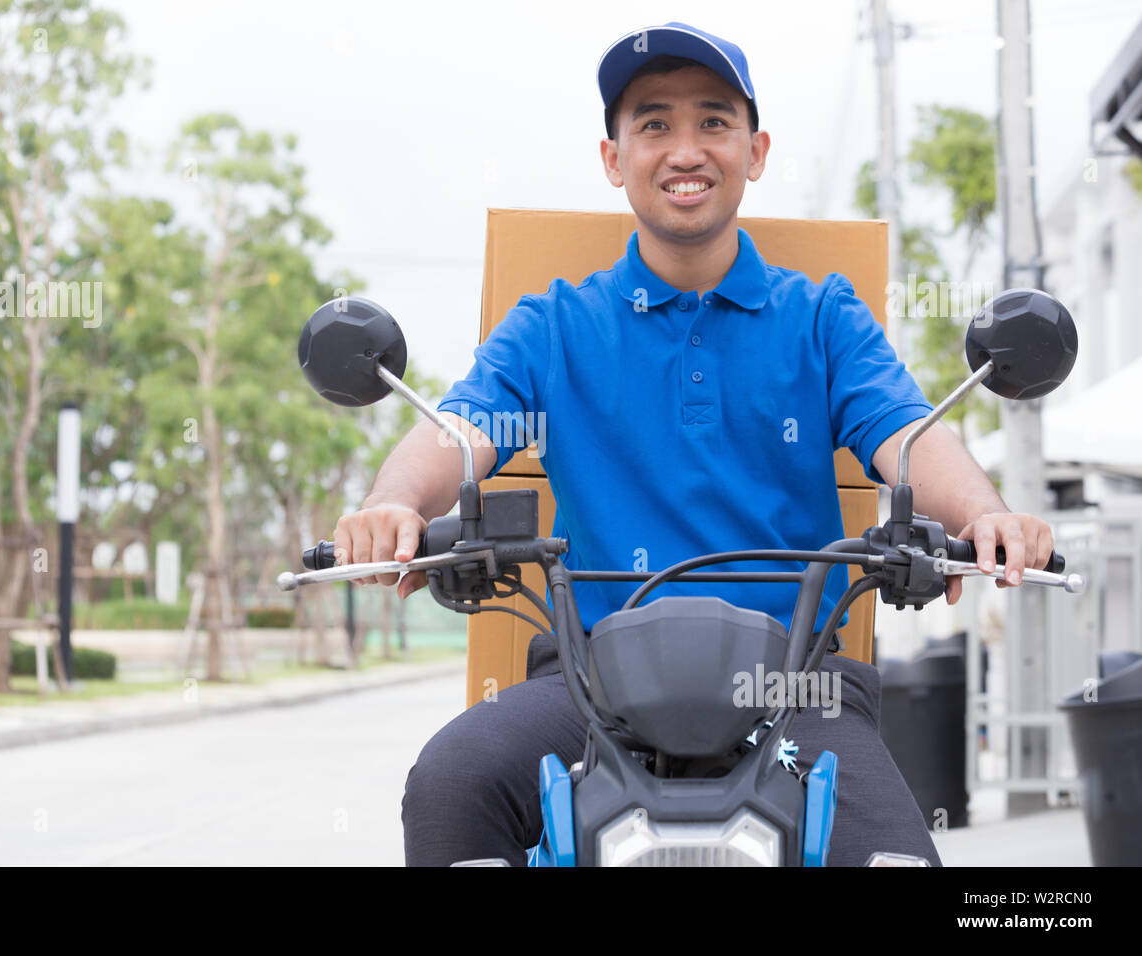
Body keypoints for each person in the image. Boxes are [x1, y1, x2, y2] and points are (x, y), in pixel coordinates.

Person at [331, 22, 1056, 866]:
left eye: (714, 122)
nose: (686, 149)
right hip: (593, 689)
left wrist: (986, 513)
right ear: (613, 157)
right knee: (451, 780)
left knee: (899, 858)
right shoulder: (554, 324)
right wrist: (391, 504)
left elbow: (904, 433)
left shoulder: (821, 316)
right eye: (654, 124)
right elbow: (456, 430)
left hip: (794, 691)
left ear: (755, 150)